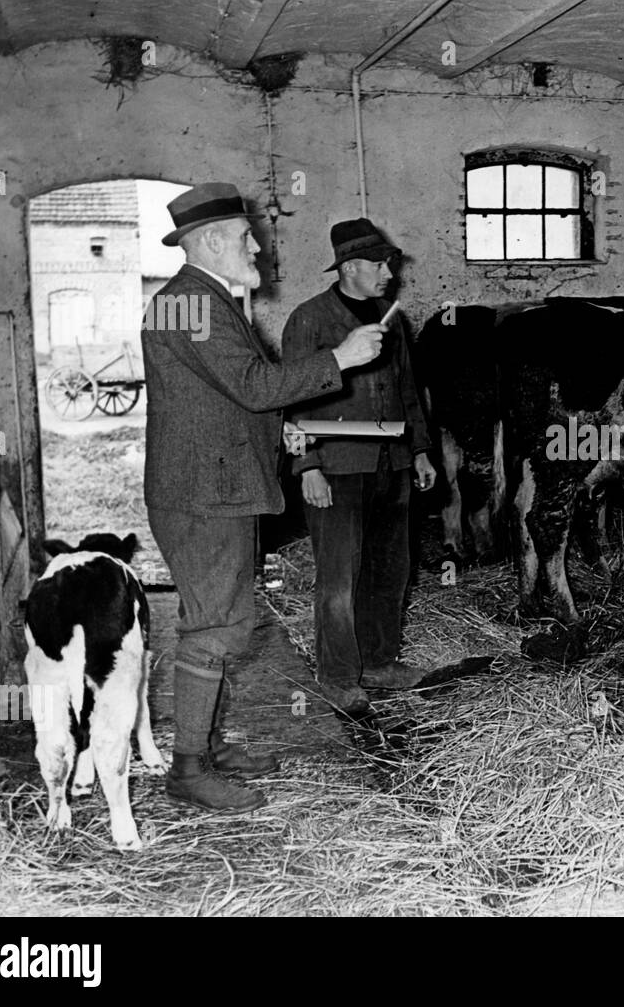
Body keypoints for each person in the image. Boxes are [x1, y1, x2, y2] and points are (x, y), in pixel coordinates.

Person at [143, 184, 385, 813]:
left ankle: (210, 746)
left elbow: (218, 399)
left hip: (215, 484)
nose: (257, 246)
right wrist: (341, 356)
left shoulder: (204, 302)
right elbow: (251, 385)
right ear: (215, 241)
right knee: (213, 627)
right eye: (247, 236)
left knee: (225, 621)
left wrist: (280, 427)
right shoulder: (190, 304)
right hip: (205, 494)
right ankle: (189, 769)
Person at [282, 219, 437, 713]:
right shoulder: (309, 320)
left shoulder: (391, 318)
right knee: (339, 579)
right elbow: (290, 400)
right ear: (350, 267)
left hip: (391, 463)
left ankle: (379, 661)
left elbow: (408, 389)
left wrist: (419, 450)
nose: (389, 271)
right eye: (378, 263)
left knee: (389, 570)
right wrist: (307, 465)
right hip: (337, 466)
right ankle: (339, 676)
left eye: (389, 262)